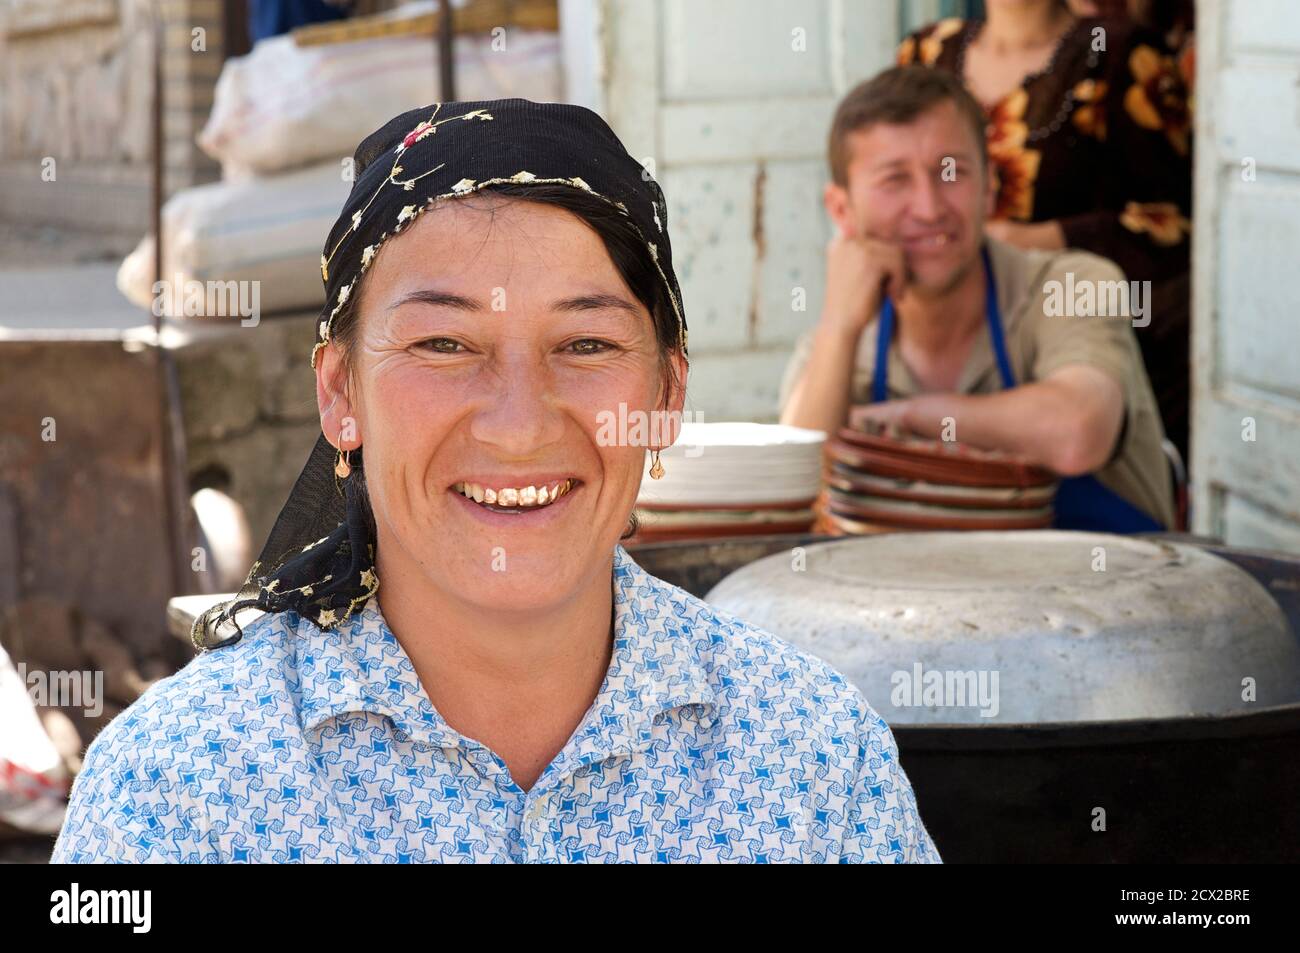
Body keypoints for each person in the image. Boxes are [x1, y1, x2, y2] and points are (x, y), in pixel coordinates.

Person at [51, 100, 939, 864]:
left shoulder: (811, 761)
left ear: (666, 395)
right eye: (443, 345)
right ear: (339, 392)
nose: (518, 424)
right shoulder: (179, 792)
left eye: (585, 345)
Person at [779, 67, 1174, 533]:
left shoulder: (1073, 285)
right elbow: (794, 502)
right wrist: (839, 329)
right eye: (894, 180)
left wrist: (908, 419)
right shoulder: (833, 347)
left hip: (1111, 597)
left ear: (990, 188)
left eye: (952, 173)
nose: (928, 208)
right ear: (842, 210)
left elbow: (1077, 434)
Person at [899, 0, 1192, 461]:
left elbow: (1177, 222)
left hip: (1067, 327)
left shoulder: (1120, 51)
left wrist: (1030, 241)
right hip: (944, 326)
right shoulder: (926, 52)